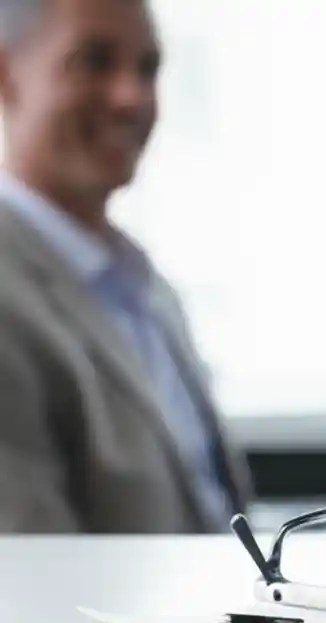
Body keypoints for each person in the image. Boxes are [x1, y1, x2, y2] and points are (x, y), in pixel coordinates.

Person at [0, 0, 251, 532]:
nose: (131, 96)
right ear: (6, 76)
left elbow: (213, 534)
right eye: (93, 61)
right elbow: (30, 575)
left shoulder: (141, 286)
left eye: (148, 68)